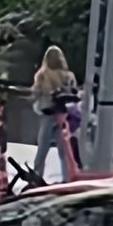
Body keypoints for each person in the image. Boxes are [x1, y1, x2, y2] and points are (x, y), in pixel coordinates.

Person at [30, 45, 79, 182]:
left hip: (47, 113)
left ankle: (37, 175)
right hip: (63, 114)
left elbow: (35, 94)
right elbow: (74, 92)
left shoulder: (42, 74)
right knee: (63, 151)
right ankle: (67, 177)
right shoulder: (69, 76)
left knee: (43, 147)